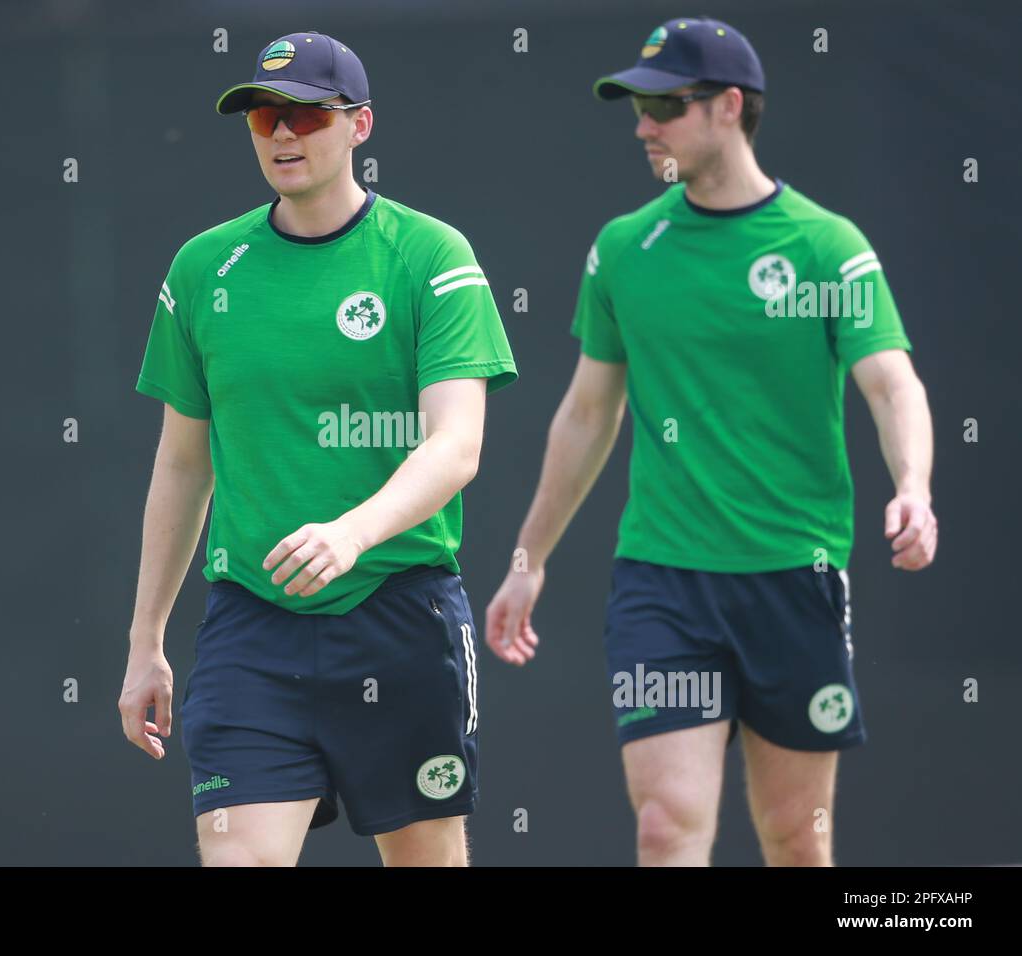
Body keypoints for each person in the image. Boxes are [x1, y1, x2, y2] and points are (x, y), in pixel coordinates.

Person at [485, 16, 936, 866]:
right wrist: (528, 558)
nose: (643, 126)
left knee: (794, 840)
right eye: (638, 107)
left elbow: (891, 384)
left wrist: (913, 486)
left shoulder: (827, 245)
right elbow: (587, 414)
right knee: (666, 826)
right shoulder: (625, 248)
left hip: (793, 574)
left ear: (730, 106)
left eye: (665, 106)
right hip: (663, 582)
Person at [119, 31, 516, 866]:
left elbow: (456, 445)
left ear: (359, 125)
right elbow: (183, 464)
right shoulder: (203, 269)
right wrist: (144, 640)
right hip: (251, 628)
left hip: (400, 617)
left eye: (305, 114)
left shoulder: (430, 257)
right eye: (263, 117)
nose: (281, 134)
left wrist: (350, 534)